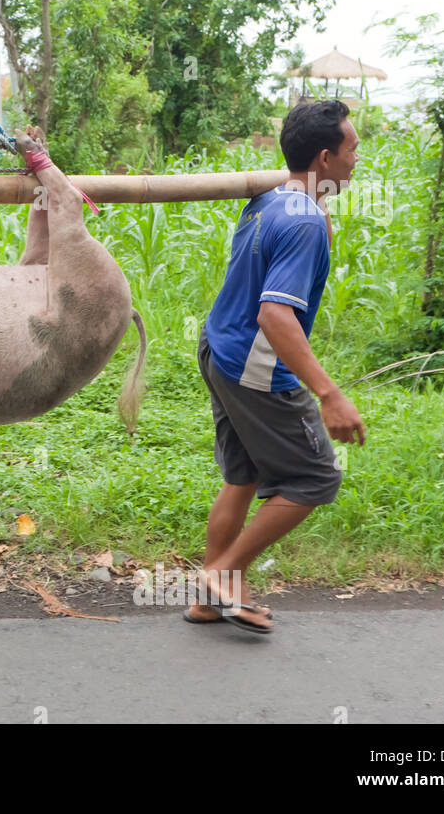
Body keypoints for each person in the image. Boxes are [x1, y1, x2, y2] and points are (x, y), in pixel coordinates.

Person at [189, 99, 366, 634]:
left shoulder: (271, 201)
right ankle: (223, 575)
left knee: (242, 475)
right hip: (256, 366)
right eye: (352, 148)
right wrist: (329, 394)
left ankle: (208, 600)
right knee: (315, 476)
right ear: (325, 157)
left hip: (220, 348)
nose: (358, 158)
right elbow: (276, 315)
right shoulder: (304, 220)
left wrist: (321, 208)